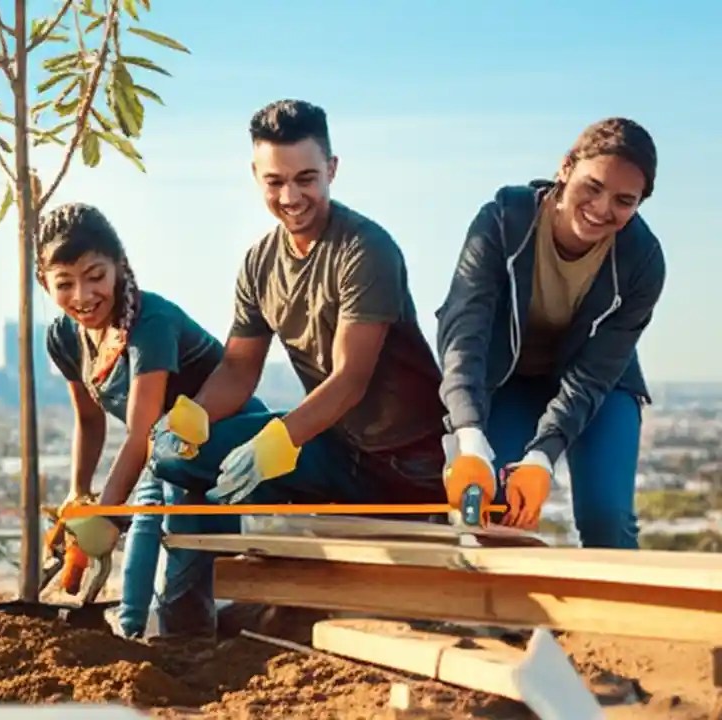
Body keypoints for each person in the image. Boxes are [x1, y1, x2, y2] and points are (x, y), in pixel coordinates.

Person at [148, 98, 450, 512]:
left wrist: (272, 447)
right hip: (331, 445)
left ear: (332, 169)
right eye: (275, 182)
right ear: (256, 176)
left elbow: (349, 379)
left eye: (305, 178)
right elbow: (237, 369)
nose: (290, 197)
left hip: (407, 463)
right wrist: (187, 422)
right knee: (177, 460)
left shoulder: (366, 249)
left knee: (233, 470)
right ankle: (212, 574)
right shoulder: (259, 262)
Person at [37, 202, 272, 638]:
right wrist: (80, 494)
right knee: (146, 515)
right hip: (165, 447)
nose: (83, 296)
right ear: (44, 282)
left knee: (182, 543)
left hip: (222, 443)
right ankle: (131, 633)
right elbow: (89, 421)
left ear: (119, 267)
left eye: (95, 276)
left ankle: (188, 649)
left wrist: (106, 517)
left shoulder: (151, 322)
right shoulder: (63, 337)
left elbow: (141, 432)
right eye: (64, 283)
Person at [435, 118, 664, 547]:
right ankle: (505, 615)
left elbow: (594, 374)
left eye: (624, 200)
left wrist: (542, 457)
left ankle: (609, 614)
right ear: (565, 168)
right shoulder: (503, 222)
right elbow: (464, 333)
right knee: (495, 515)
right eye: (592, 186)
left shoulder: (643, 261)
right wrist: (467, 434)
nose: (601, 207)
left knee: (606, 517)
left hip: (598, 387)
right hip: (510, 381)